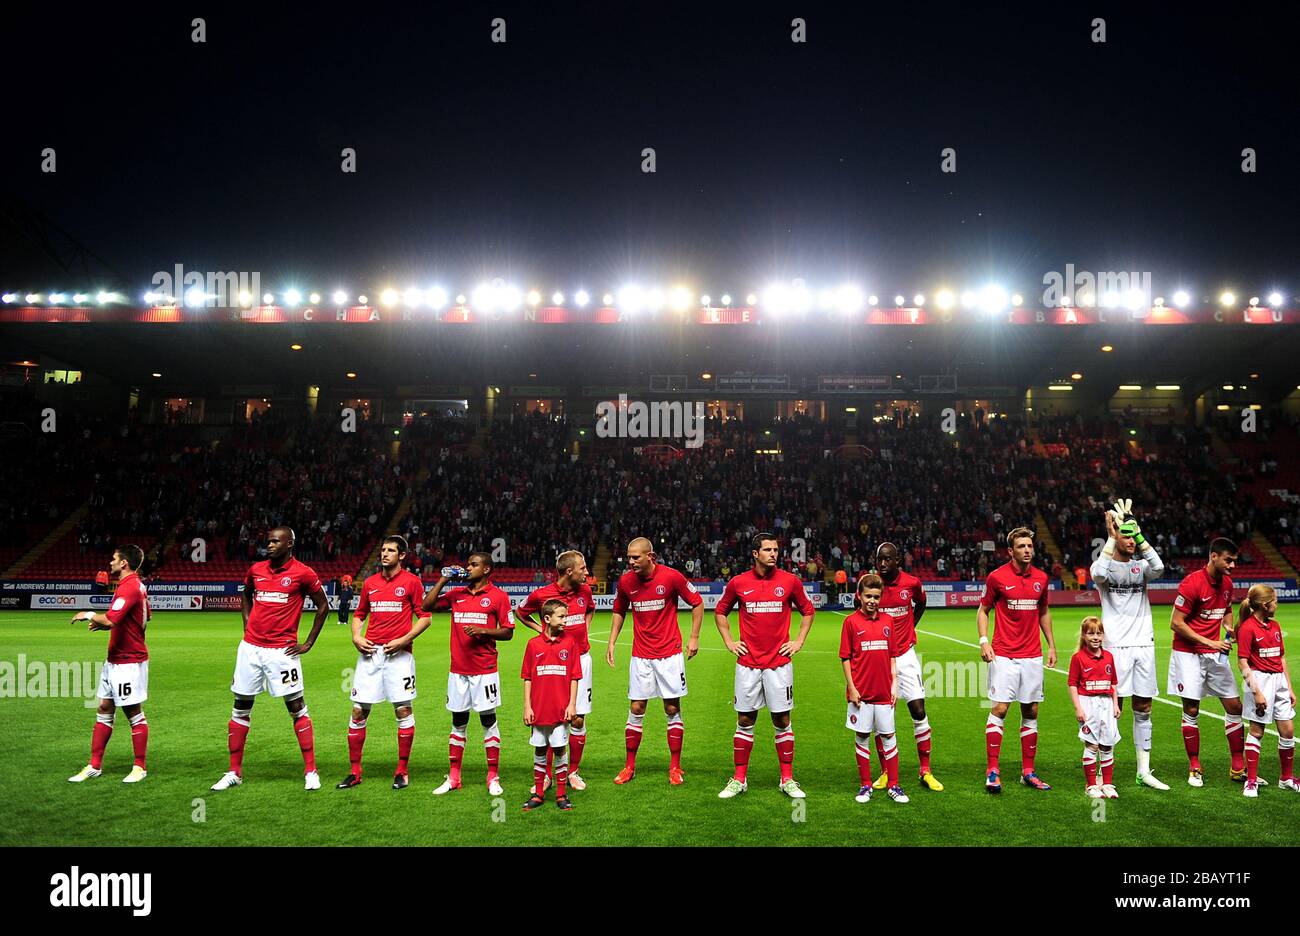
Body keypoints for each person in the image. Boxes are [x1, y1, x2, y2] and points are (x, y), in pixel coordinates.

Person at [212, 527, 331, 791]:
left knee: (297, 707)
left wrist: (309, 642)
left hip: (282, 652)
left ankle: (311, 771)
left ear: (290, 544)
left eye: (276, 541)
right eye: (268, 541)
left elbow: (323, 606)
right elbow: (245, 594)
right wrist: (247, 623)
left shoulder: (303, 573)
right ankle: (234, 771)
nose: (270, 545)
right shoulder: (256, 569)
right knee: (240, 707)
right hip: (250, 650)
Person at [714, 533, 815, 800]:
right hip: (747, 663)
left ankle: (787, 779)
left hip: (779, 664)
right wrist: (729, 641)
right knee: (745, 719)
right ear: (755, 554)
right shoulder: (739, 583)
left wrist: (798, 642)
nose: (773, 554)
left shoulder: (789, 581)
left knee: (782, 719)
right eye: (767, 550)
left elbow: (808, 611)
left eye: (775, 550)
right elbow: (720, 611)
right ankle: (739, 779)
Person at [336, 535, 431, 790]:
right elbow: (359, 614)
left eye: (391, 550)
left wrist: (404, 640)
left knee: (402, 710)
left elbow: (425, 618)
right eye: (383, 550)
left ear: (402, 556)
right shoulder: (369, 583)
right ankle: (355, 771)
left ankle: (402, 770)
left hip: (399, 656)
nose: (385, 554)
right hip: (370, 656)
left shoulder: (412, 582)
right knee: (358, 711)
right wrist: (356, 636)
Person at [607, 537, 704, 785]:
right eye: (628, 557)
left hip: (669, 654)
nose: (630, 562)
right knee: (636, 708)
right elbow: (619, 610)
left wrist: (693, 637)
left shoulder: (672, 577)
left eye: (635, 557)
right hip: (641, 655)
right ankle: (629, 766)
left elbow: (697, 602)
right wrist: (611, 641)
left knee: (671, 708)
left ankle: (675, 767)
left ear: (651, 556)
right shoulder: (627, 581)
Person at [1089, 500, 1169, 790]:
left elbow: (1159, 567)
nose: (1132, 541)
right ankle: (1101, 770)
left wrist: (1136, 533)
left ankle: (1143, 771)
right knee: (1111, 707)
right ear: (1114, 537)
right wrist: (1112, 536)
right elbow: (1097, 574)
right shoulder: (1105, 568)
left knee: (1144, 707)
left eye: (1135, 536)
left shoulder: (1142, 567)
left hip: (1143, 645)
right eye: (1127, 536)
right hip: (1115, 646)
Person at [423, 553, 515, 796]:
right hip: (458, 670)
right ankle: (454, 777)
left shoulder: (499, 597)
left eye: (474, 565)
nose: (468, 568)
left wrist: (484, 631)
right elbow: (426, 606)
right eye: (468, 564)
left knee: (488, 720)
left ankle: (493, 776)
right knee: (458, 722)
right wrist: (443, 580)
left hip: (485, 669)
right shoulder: (457, 595)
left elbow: (508, 632)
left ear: (486, 569)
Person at [976, 527, 1057, 793]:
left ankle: (1028, 772)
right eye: (1021, 546)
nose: (1027, 550)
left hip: (1032, 655)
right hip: (1004, 654)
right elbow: (983, 610)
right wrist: (984, 641)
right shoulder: (997, 577)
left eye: (1030, 546)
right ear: (1011, 551)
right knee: (1000, 709)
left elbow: (1043, 611)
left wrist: (1051, 646)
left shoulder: (1041, 578)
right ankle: (992, 770)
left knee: (1031, 711)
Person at [68, 545, 152, 784]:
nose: (110, 563)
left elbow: (110, 619)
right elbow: (143, 616)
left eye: (114, 559)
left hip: (129, 661)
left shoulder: (130, 586)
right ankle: (95, 765)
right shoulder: (136, 585)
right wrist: (106, 623)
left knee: (133, 713)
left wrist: (88, 615)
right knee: (104, 708)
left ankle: (140, 767)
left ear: (124, 563)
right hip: (114, 660)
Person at [1168, 537, 1247, 788]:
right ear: (1214, 556)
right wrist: (1210, 642)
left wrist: (1228, 628)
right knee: (1191, 709)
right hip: (1187, 653)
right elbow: (1176, 623)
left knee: (1234, 706)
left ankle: (1237, 765)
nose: (1233, 565)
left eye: (1234, 561)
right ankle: (1194, 766)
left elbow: (1226, 610)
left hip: (1215, 652)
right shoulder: (1192, 583)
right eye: (1228, 560)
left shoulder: (1227, 584)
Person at [514, 551, 595, 790]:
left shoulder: (586, 591)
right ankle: (547, 775)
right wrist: (540, 628)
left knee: (578, 719)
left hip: (580, 658)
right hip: (552, 663)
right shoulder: (541, 595)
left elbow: (590, 609)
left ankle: (573, 772)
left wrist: (585, 629)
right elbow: (520, 612)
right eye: (582, 568)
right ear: (569, 571)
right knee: (550, 719)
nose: (587, 572)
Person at [867, 542, 943, 792]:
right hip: (879, 658)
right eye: (880, 559)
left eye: (888, 559)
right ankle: (887, 772)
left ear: (898, 560)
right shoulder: (871, 586)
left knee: (918, 710)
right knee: (881, 716)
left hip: (906, 656)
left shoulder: (911, 583)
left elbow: (921, 603)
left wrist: (912, 627)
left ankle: (925, 770)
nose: (883, 563)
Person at [839, 574, 908, 804]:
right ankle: (865, 785)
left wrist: (895, 685)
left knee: (889, 737)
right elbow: (846, 658)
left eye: (876, 597)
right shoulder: (850, 622)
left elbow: (892, 657)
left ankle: (894, 785)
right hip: (861, 694)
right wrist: (852, 688)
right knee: (862, 737)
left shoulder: (888, 621)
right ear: (859, 596)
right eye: (868, 596)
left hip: (884, 692)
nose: (872, 600)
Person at [520, 599, 583, 811]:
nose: (566, 620)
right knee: (539, 749)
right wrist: (527, 707)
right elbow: (527, 678)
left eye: (566, 616)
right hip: (538, 709)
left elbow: (575, 677)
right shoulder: (532, 645)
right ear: (547, 619)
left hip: (560, 709)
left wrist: (572, 705)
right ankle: (538, 793)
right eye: (561, 616)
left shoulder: (570, 643)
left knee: (559, 749)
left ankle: (561, 794)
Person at [1235, 584, 1297, 796]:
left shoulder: (1276, 626)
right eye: (1275, 601)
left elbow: (1281, 658)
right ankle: (1251, 781)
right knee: (1257, 731)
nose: (1277, 604)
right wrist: (1257, 692)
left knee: (1288, 731)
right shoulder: (1247, 628)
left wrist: (1289, 688)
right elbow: (1242, 663)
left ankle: (1286, 778)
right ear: (1264, 604)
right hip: (1258, 680)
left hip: (1278, 681)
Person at [1067, 616, 1121, 798]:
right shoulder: (1078, 658)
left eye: (1099, 633)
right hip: (1088, 704)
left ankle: (1107, 784)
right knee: (1092, 745)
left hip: (1106, 704)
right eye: (1091, 633)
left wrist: (1115, 705)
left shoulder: (1109, 657)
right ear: (1084, 636)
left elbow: (1113, 684)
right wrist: (1078, 708)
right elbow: (1072, 684)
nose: (1096, 637)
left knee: (1107, 745)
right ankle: (1091, 785)